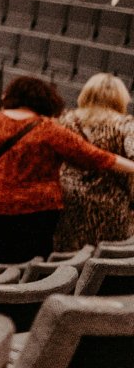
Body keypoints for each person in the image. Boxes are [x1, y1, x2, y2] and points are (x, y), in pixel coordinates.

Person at [0, 76, 134, 265]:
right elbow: (93, 156)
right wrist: (130, 166)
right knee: (33, 260)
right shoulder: (49, 129)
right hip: (39, 208)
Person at [53, 73, 134, 250]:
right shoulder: (124, 124)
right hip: (111, 203)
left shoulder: (66, 120)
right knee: (104, 256)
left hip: (69, 199)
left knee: (66, 257)